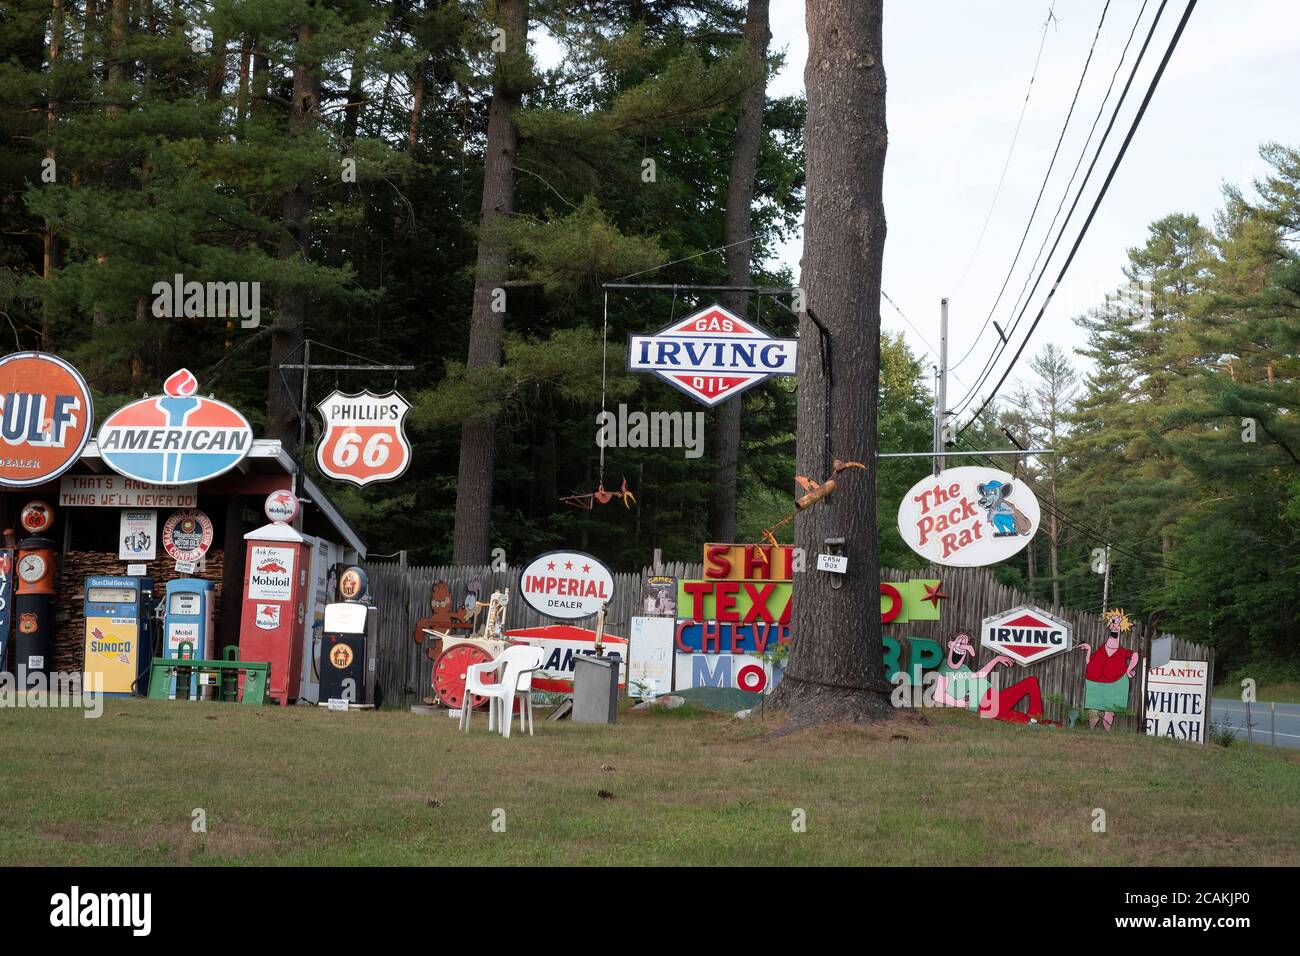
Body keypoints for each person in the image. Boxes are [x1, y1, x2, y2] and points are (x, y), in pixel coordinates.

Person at [932, 631, 1046, 722]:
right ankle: (1037, 722)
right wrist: (958, 703)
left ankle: (1037, 718)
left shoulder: (963, 668)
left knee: (1030, 683)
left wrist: (997, 659)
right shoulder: (945, 666)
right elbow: (938, 695)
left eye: (966, 646)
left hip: (986, 697)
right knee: (1019, 719)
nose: (963, 648)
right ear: (951, 644)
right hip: (981, 705)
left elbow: (979, 675)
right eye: (960, 643)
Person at [1077, 609, 1139, 730]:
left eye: (1117, 622)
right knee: (1093, 708)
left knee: (1109, 710)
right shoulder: (1101, 649)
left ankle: (1107, 732)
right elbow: (1089, 662)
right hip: (1094, 682)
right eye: (1112, 622)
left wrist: (1128, 670)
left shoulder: (1121, 652)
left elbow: (1135, 655)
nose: (1114, 625)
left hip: (1114, 684)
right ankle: (1091, 730)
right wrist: (1089, 648)